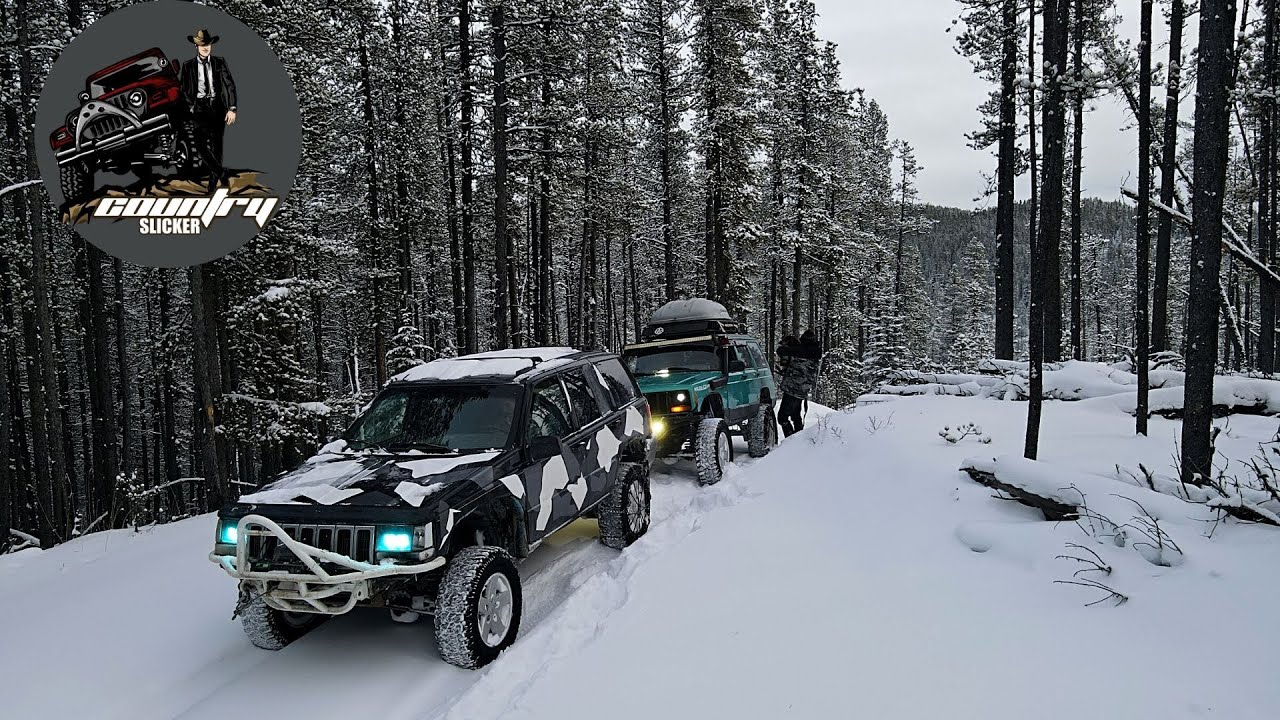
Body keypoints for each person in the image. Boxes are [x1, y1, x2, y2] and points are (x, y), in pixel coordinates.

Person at [181, 28, 238, 187]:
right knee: (199, 144)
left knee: (216, 146)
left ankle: (214, 182)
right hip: (199, 108)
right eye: (202, 45)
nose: (205, 47)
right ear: (196, 46)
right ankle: (221, 173)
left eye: (208, 44)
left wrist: (232, 108)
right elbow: (183, 90)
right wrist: (191, 105)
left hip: (217, 107)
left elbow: (230, 85)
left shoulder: (219, 62)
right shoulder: (188, 66)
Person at [776, 329, 822, 437]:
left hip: (792, 389)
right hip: (803, 390)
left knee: (782, 417)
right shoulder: (815, 353)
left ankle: (792, 441)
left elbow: (781, 350)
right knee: (796, 416)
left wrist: (786, 352)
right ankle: (799, 439)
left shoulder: (798, 351)